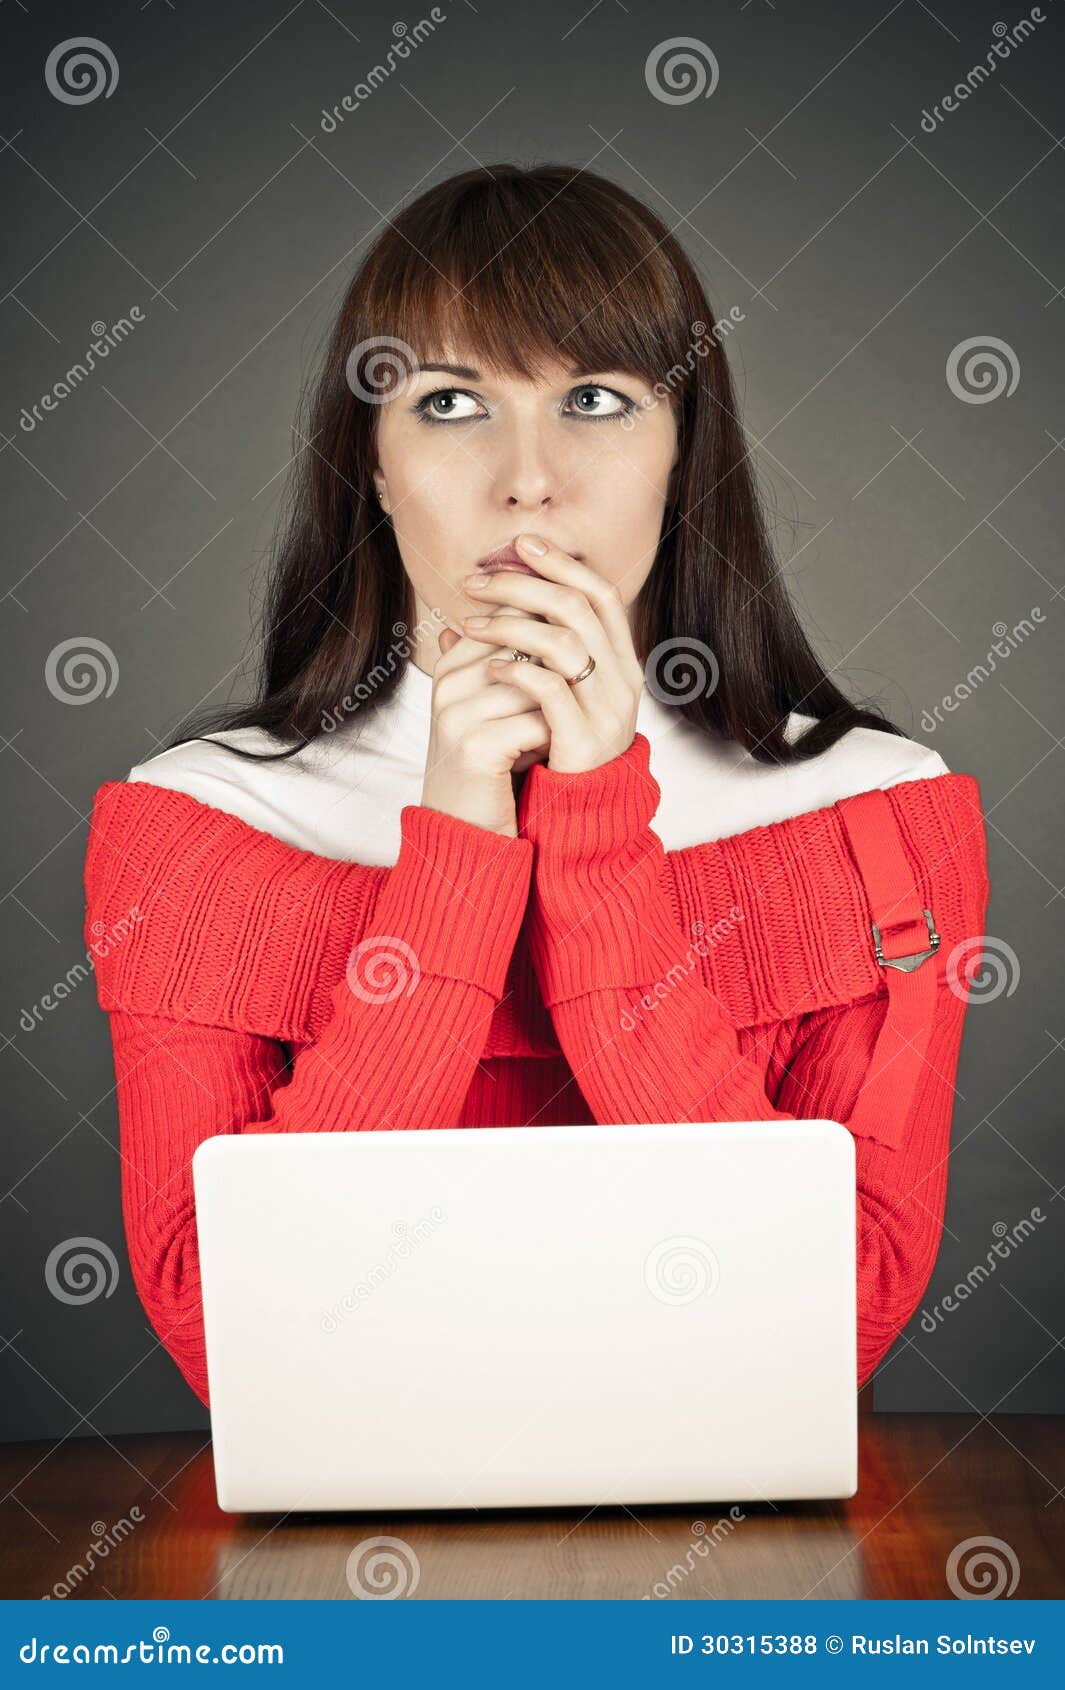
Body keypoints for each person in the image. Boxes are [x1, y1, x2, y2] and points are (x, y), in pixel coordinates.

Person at [83, 163, 990, 1410]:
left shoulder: (876, 810)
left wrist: (598, 819)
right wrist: (456, 840)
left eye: (599, 399)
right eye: (452, 402)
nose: (529, 480)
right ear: (376, 467)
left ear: (686, 457)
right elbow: (224, 1326)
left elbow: (838, 1315)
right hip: (342, 1575)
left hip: (741, 1560)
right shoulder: (196, 826)